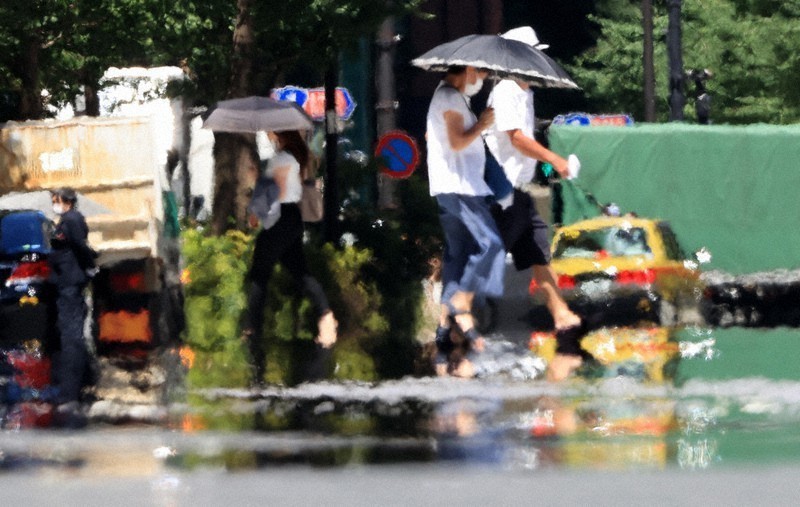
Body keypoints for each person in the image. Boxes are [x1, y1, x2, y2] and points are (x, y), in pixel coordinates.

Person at [483, 27, 585, 382]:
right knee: (484, 259)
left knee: (540, 257)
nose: (538, 59)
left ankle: (562, 316)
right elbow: (516, 139)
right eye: (533, 53)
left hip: (520, 191)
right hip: (502, 192)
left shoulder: (524, 92)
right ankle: (454, 319)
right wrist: (555, 160)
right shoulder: (506, 91)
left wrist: (547, 163)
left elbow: (524, 140)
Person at [425, 65, 506, 376]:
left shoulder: (450, 98)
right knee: (491, 244)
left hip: (454, 186)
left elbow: (437, 137)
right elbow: (457, 142)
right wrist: (482, 124)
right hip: (459, 188)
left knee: (457, 255)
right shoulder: (448, 97)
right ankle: (462, 301)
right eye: (481, 74)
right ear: (469, 70)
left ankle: (444, 327)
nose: (481, 80)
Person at [241, 130, 338, 386]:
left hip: (281, 219)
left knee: (259, 274)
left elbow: (279, 189)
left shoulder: (283, 158)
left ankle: (251, 329)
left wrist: (258, 209)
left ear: (278, 133)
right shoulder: (292, 157)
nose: (267, 134)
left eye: (270, 131)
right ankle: (326, 316)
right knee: (299, 271)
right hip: (291, 219)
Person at [48, 187, 97, 424]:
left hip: (70, 284)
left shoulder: (72, 220)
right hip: (65, 284)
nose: (53, 202)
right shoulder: (66, 220)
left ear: (64, 200)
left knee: (71, 337)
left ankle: (69, 393)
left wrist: (90, 265)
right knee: (67, 336)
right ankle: (77, 385)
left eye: (55, 199)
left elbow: (79, 245)